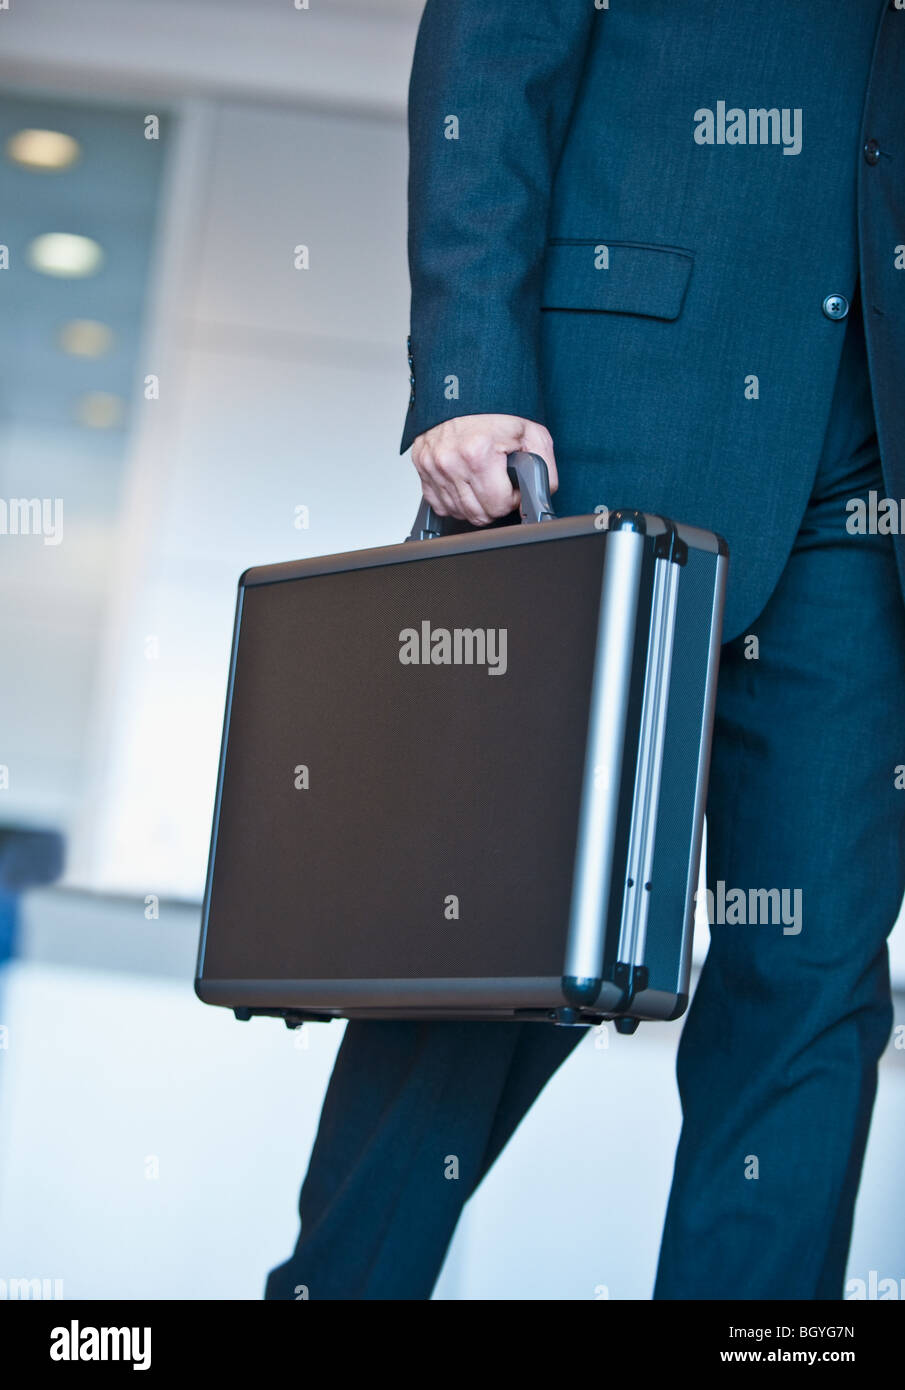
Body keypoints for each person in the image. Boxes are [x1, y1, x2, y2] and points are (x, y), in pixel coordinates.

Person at [265, 0, 905, 1299]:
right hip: (619, 418)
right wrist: (467, 369)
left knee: (815, 974)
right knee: (495, 939)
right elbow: (490, 50)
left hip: (872, 477)